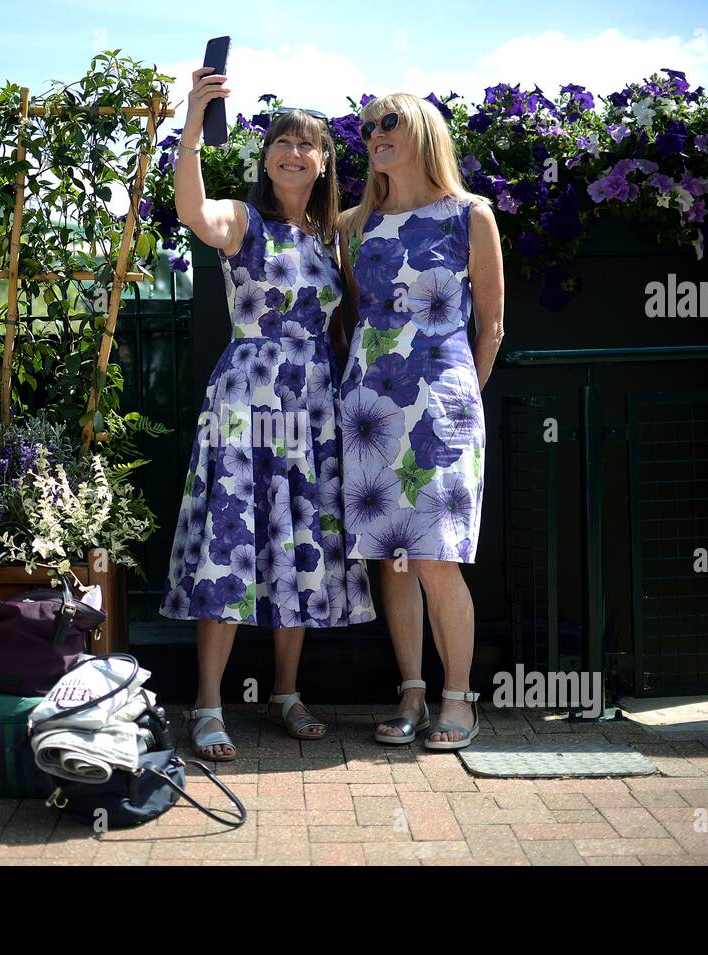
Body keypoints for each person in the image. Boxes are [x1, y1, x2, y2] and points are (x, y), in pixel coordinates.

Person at [158, 67, 375, 761]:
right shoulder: (243, 221)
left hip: (313, 406)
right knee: (230, 543)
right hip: (246, 402)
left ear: (323, 163)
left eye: (308, 145)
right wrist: (193, 120)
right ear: (267, 156)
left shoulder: (334, 234)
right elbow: (192, 211)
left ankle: (284, 692)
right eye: (282, 141)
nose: (294, 152)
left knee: (297, 544)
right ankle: (208, 705)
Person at [337, 93, 505, 750]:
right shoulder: (356, 224)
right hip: (371, 408)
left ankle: (457, 697)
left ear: (424, 133)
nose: (373, 134)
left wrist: (459, 399)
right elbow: (357, 316)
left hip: (443, 406)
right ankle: (411, 692)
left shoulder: (471, 215)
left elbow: (490, 326)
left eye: (388, 122)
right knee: (395, 561)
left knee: (438, 559)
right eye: (367, 126)